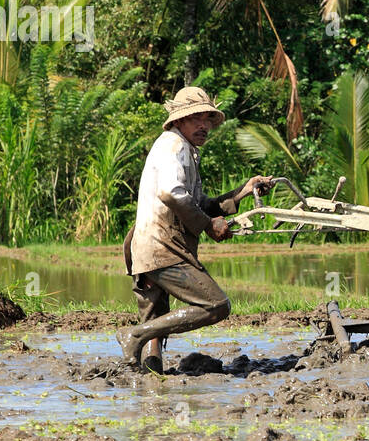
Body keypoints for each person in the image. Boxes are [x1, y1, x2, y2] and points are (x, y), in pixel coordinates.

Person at [116, 86, 272, 374]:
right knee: (215, 305)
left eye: (208, 119)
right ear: (178, 120)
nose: (204, 126)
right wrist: (208, 225)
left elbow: (199, 203)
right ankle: (133, 335)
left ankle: (151, 389)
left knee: (155, 326)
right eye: (196, 119)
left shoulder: (183, 150)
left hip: (147, 247)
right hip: (164, 247)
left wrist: (243, 191)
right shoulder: (173, 147)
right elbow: (172, 195)